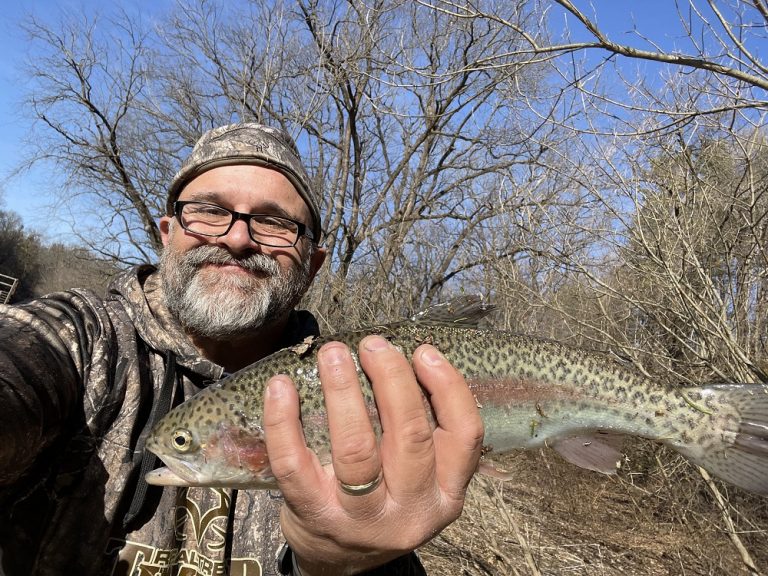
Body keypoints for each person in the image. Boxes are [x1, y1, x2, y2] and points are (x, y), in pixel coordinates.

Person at [0, 123, 484, 576]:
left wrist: (348, 565)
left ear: (311, 265)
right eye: (210, 210)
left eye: (274, 223)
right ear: (168, 235)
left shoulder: (356, 384)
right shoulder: (79, 337)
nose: (236, 239)